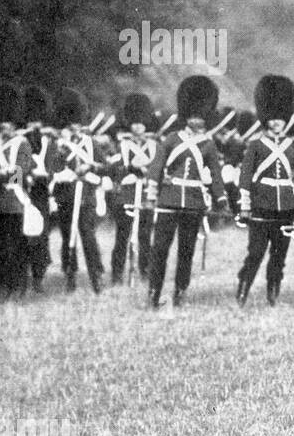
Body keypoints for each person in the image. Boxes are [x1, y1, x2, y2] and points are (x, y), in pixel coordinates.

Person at [145, 76, 229, 309]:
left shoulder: (209, 145)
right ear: (186, 114)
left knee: (186, 252)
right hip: (168, 200)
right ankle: (154, 293)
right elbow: (156, 168)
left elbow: (215, 174)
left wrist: (221, 199)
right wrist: (152, 195)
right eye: (193, 115)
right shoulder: (172, 139)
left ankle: (180, 292)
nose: (197, 119)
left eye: (201, 115)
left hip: (193, 203)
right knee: (160, 250)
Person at [235, 74, 294, 306]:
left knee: (279, 256)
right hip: (261, 207)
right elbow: (245, 178)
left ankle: (273, 290)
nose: (277, 122)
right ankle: (243, 287)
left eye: (281, 117)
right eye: (273, 118)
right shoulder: (256, 145)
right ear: (266, 118)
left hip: (286, 208)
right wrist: (246, 207)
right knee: (256, 253)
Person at [50, 87, 111, 293]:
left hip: (85, 197)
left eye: (77, 124)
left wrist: (90, 167)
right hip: (65, 196)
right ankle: (70, 275)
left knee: (88, 236)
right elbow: (52, 170)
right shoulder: (58, 146)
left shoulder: (90, 143)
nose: (74, 128)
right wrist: (62, 163)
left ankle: (96, 275)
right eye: (70, 124)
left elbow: (106, 168)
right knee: (68, 237)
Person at [0, 83, 35, 300]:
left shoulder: (22, 143)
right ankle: (4, 286)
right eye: (3, 121)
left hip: (15, 201)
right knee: (1, 248)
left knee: (16, 247)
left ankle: (17, 286)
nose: (5, 126)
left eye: (9, 122)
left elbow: (19, 174)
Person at [109, 92, 157, 285]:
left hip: (145, 194)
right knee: (122, 236)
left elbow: (158, 169)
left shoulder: (153, 146)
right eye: (135, 122)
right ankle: (117, 273)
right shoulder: (123, 145)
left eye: (141, 122)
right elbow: (114, 169)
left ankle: (145, 271)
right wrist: (130, 168)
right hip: (127, 194)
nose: (138, 126)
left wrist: (146, 171)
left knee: (145, 236)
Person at [21, 85, 56, 292]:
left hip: (41, 191)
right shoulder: (20, 142)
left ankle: (38, 277)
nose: (34, 126)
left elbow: (51, 169)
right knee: (22, 234)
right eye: (30, 121)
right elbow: (15, 170)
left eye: (37, 122)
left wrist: (41, 176)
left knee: (40, 236)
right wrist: (23, 179)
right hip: (23, 192)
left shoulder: (49, 144)